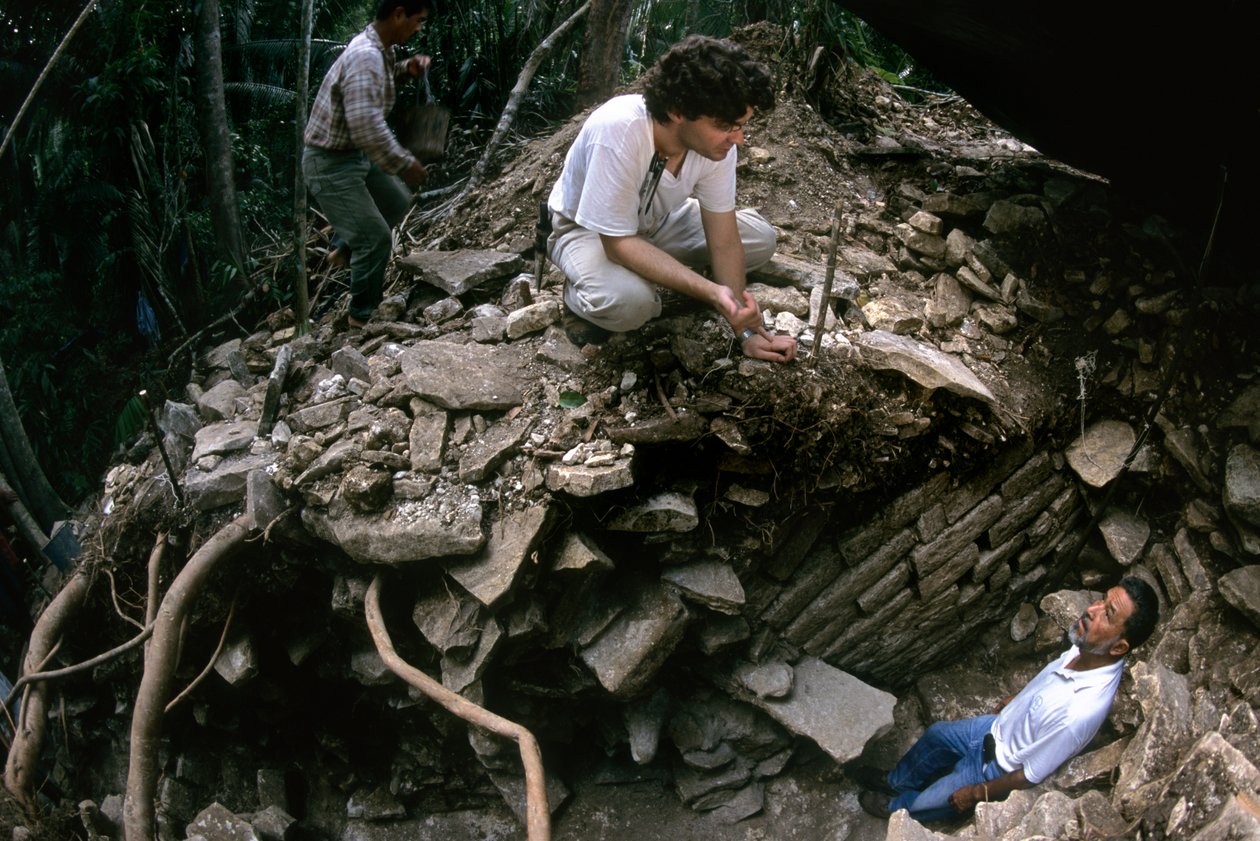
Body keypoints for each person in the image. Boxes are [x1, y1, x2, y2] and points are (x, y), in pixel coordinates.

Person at [546, 35, 797, 363]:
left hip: (655, 220)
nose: (739, 139)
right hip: (587, 229)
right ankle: (579, 295)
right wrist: (711, 292)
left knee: (760, 239)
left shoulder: (717, 147)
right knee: (629, 303)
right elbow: (618, 243)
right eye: (726, 126)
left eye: (741, 125)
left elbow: (723, 241)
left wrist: (744, 329)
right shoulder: (619, 129)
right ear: (678, 110)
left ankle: (654, 269)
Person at [856, 576, 1159, 823]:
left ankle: (897, 805)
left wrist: (975, 793)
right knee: (937, 736)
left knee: (930, 802)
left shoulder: (1083, 710)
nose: (1093, 609)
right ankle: (897, 780)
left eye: (1108, 613)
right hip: (995, 727)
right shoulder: (1091, 648)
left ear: (1119, 647)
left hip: (998, 766)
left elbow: (1029, 775)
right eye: (1102, 599)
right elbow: (1053, 677)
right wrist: (1019, 697)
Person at [302, 0, 434, 329]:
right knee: (375, 239)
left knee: (397, 201)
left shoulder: (378, 49)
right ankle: (360, 319)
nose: (418, 28)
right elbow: (365, 125)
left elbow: (380, 78)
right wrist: (404, 163)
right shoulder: (365, 55)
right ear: (399, 12)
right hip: (330, 163)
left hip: (353, 155)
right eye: (417, 20)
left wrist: (406, 70)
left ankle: (345, 245)